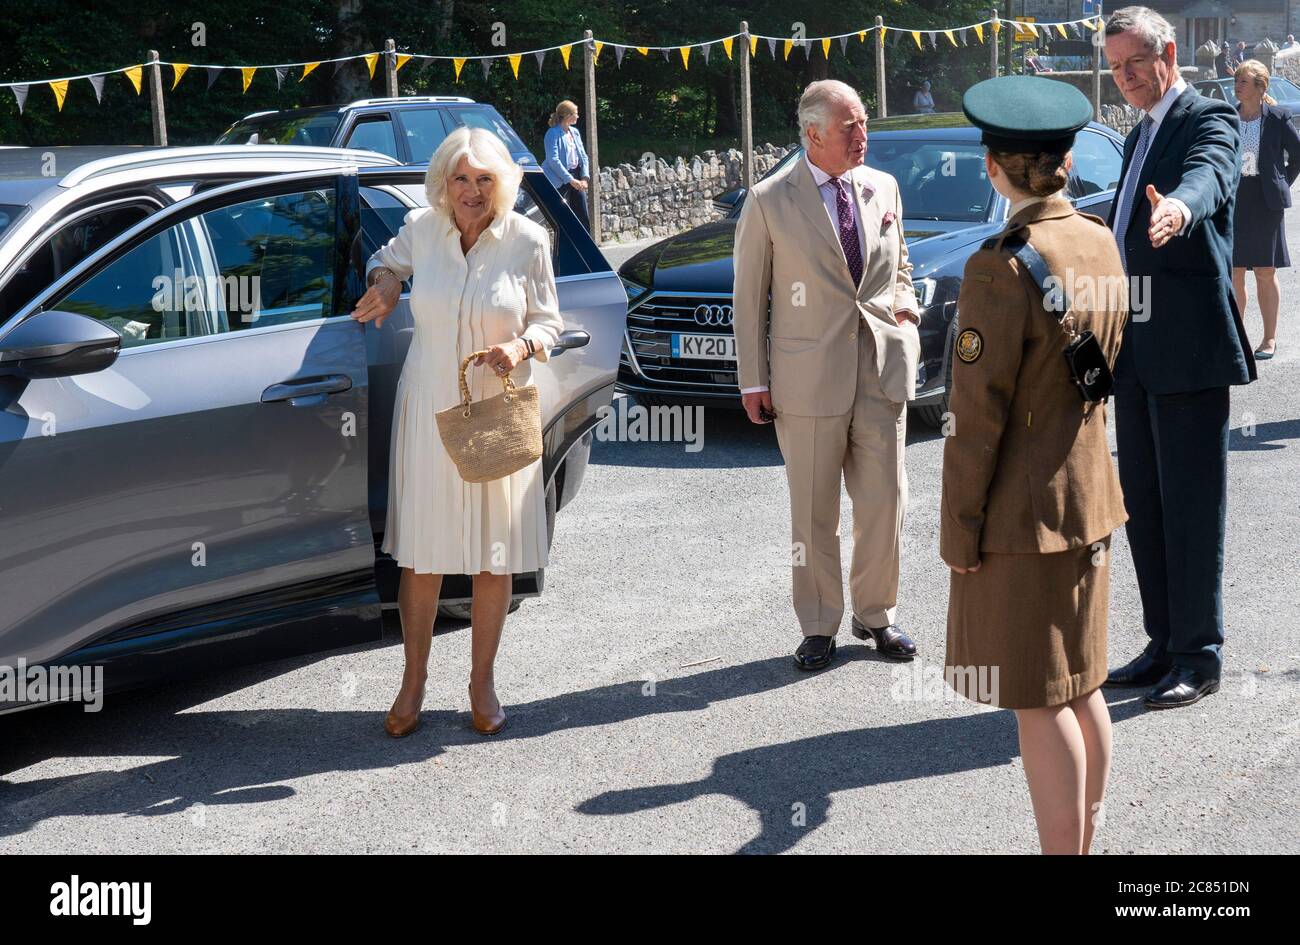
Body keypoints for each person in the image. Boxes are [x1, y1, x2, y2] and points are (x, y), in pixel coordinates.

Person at [943, 75, 1128, 855]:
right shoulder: (1097, 236)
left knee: (1035, 698)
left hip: (1022, 520)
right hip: (1088, 499)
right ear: (1064, 157)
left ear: (994, 167)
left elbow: (973, 424)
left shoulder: (999, 266)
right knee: (1082, 686)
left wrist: (960, 531)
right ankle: (1081, 843)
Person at [351, 127, 565, 738]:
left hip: (495, 409)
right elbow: (384, 262)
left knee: (492, 554)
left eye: (484, 180)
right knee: (424, 554)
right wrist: (387, 283)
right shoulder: (423, 229)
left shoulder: (527, 240)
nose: (471, 191)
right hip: (428, 409)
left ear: (502, 183)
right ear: (443, 182)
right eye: (461, 179)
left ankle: (482, 682)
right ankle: (412, 682)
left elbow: (551, 322)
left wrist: (522, 344)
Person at [733, 79, 921, 671]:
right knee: (813, 511)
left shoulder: (882, 186)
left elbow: (900, 263)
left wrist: (907, 308)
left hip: (879, 370)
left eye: (864, 123)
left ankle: (877, 615)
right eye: (850, 127)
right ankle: (818, 625)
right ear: (813, 134)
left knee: (885, 502)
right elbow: (748, 299)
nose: (863, 136)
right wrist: (752, 381)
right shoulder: (768, 199)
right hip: (807, 379)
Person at [1102, 7, 1255, 709]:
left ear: (1168, 52)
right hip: (1134, 353)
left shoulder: (1206, 116)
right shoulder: (1138, 134)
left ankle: (1199, 654)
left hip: (1189, 352)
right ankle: (1163, 641)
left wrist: (1180, 211)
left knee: (1192, 508)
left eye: (1133, 62)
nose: (1124, 77)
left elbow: (1209, 177)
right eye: (1113, 67)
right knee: (1146, 506)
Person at [1230, 59, 1300, 359]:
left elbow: (1297, 156)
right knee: (1233, 272)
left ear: (1261, 87)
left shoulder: (1278, 117)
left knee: (1264, 271)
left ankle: (1269, 339)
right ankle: (1237, 338)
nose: (1237, 85)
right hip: (1233, 200)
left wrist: (1280, 180)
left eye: (1243, 81)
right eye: (1237, 80)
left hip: (1265, 200)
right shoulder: (1227, 117)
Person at [543, 100, 591, 232]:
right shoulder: (552, 133)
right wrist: (570, 180)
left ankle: (586, 246)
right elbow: (553, 160)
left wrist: (585, 178)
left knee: (583, 215)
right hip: (559, 178)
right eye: (576, 113)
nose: (578, 116)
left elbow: (583, 156)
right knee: (560, 216)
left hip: (576, 176)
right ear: (568, 115)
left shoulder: (574, 132)